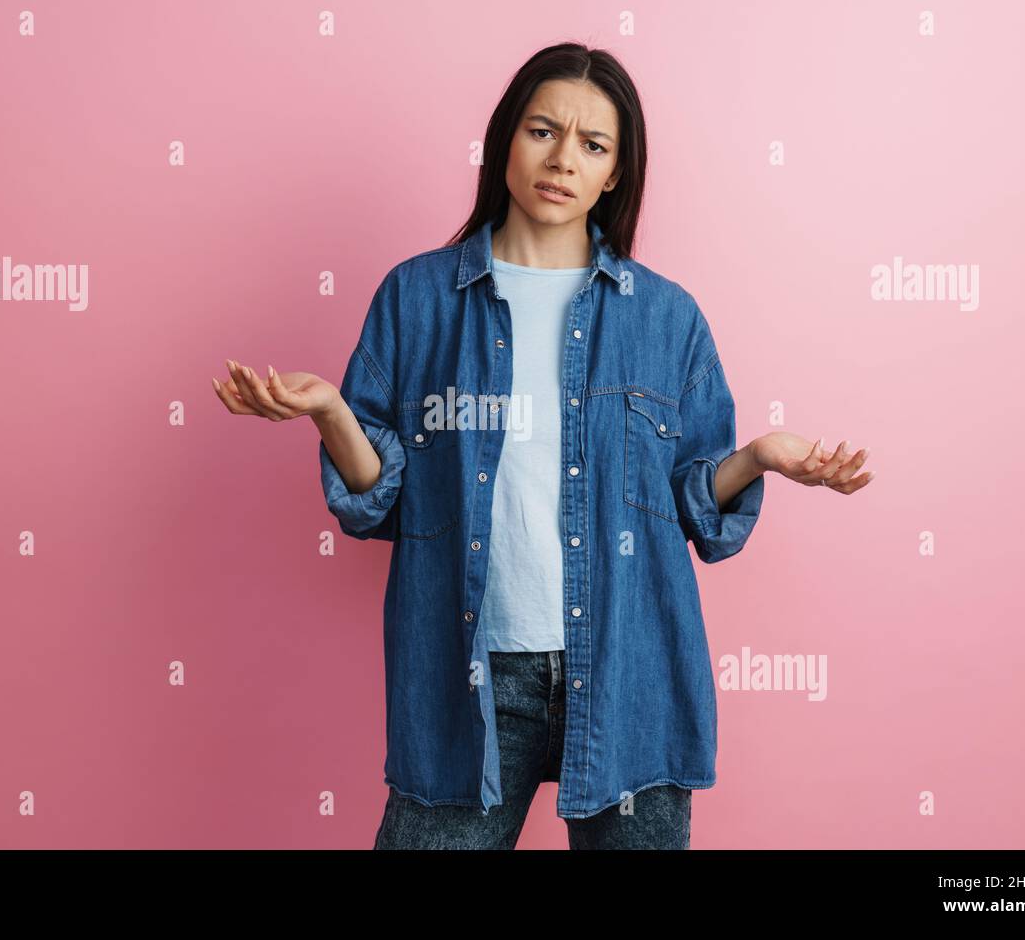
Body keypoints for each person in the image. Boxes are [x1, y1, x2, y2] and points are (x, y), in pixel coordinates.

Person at [211, 42, 873, 849]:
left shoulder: (666, 318)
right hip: (472, 683)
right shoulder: (417, 299)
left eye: (593, 145)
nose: (563, 160)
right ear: (506, 140)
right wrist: (328, 411)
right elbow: (377, 499)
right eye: (543, 130)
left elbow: (697, 509)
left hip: (632, 676)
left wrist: (761, 455)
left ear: (615, 174)